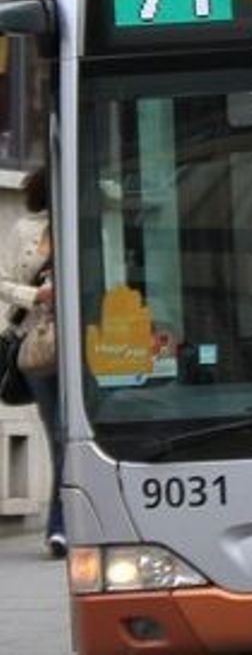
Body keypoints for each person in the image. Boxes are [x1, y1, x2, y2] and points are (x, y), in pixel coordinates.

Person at [0, 166, 60, 557]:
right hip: (37, 347)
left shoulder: (87, 222)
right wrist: (35, 296)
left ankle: (65, 524)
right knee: (58, 435)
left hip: (84, 345)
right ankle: (61, 527)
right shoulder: (25, 229)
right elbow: (1, 281)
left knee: (80, 439)